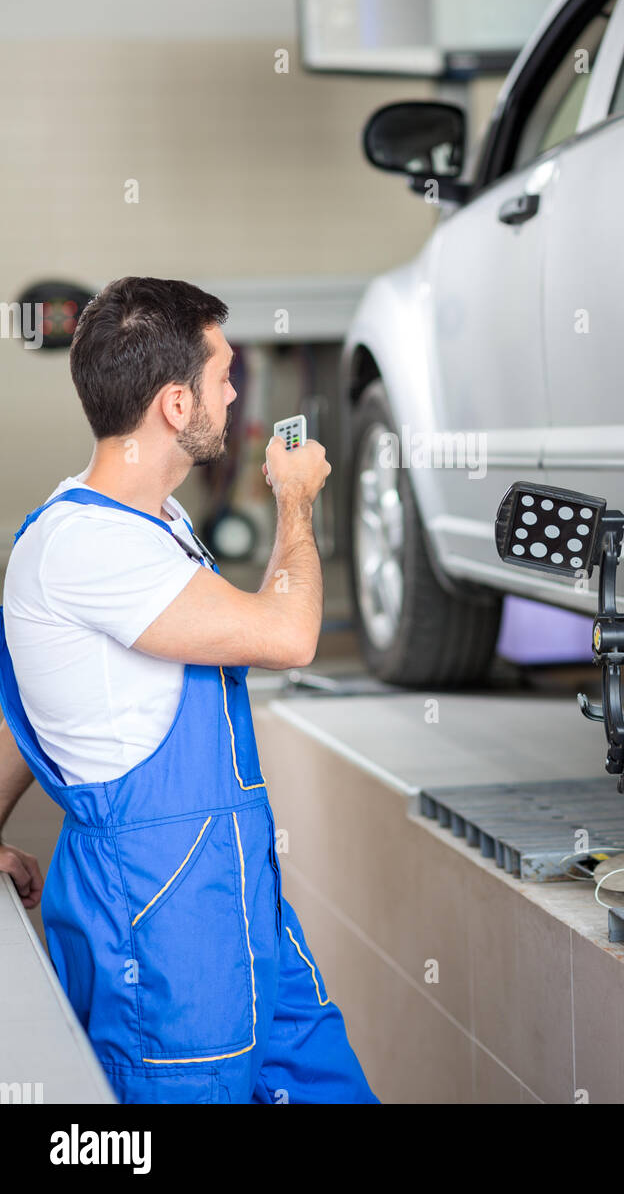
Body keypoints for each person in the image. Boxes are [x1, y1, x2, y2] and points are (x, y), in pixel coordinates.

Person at [0, 276, 379, 1105]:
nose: (237, 394)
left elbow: (23, 712)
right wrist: (295, 505)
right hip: (163, 930)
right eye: (224, 375)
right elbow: (290, 635)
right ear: (177, 405)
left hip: (233, 901)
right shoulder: (86, 545)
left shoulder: (154, 524)